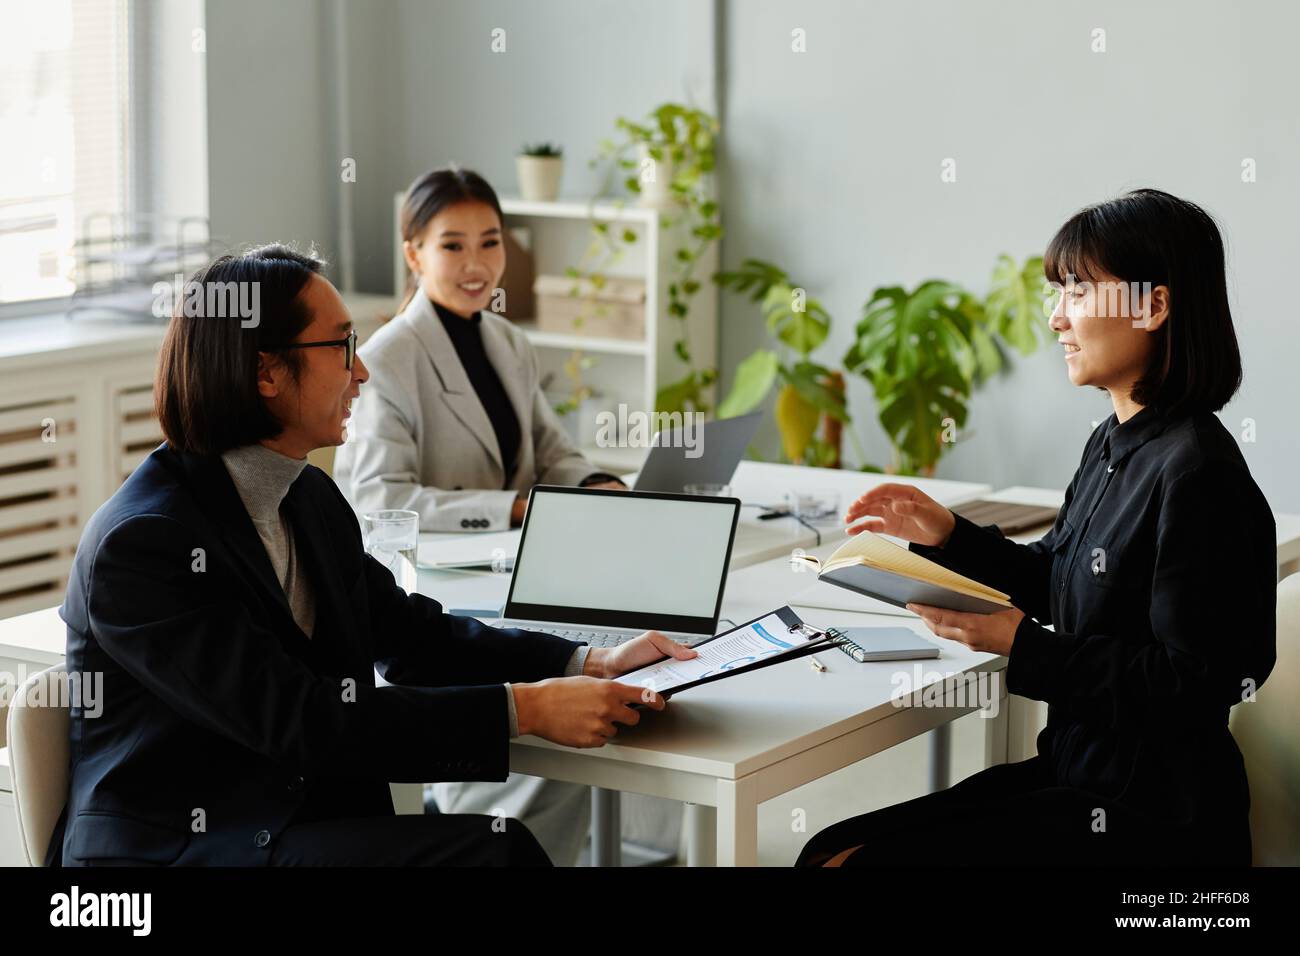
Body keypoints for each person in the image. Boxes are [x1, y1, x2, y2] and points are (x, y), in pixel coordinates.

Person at [51, 244, 694, 866]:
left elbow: (413, 637)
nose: (361, 371)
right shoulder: (144, 545)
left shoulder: (308, 497)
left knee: (494, 845)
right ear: (265, 371)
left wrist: (589, 660)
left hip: (295, 828)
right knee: (494, 851)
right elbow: (302, 721)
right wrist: (526, 708)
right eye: (343, 346)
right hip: (188, 850)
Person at [797, 189, 1276, 867]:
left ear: (1153, 306)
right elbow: (1062, 581)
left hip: (1156, 815)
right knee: (828, 848)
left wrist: (1024, 647)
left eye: (1077, 293)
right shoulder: (1114, 443)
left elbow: (1199, 683)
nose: (1056, 319)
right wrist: (947, 535)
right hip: (1078, 773)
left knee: (857, 864)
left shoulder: (1198, 472)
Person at [334, 167, 624, 863]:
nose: (475, 264)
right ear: (414, 253)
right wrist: (518, 507)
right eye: (452, 246)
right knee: (530, 774)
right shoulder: (389, 360)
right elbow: (380, 499)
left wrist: (598, 482)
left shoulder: (506, 341)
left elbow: (552, 449)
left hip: (527, 580)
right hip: (441, 592)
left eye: (489, 243)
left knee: (595, 715)